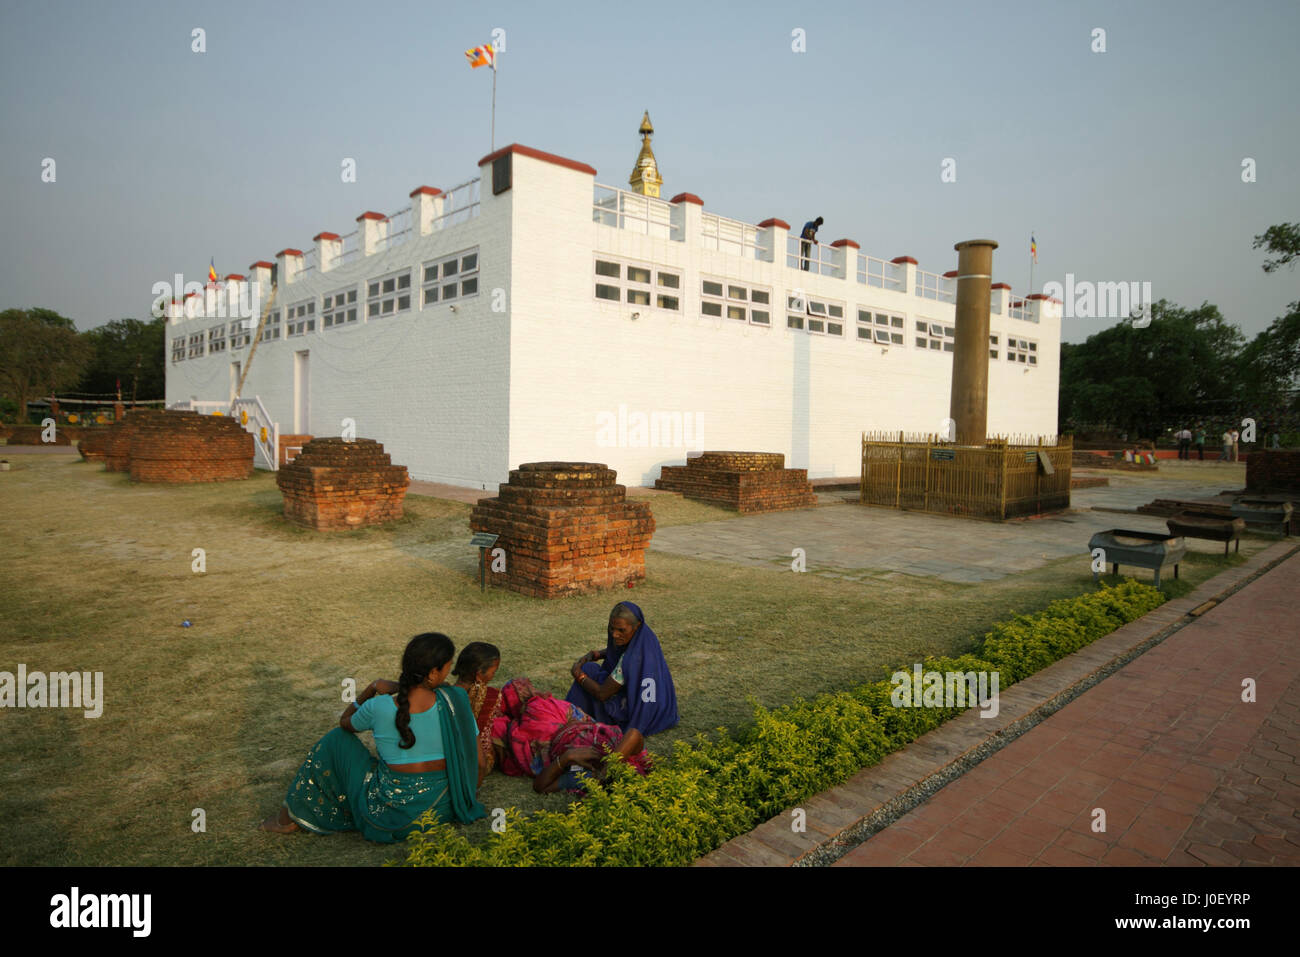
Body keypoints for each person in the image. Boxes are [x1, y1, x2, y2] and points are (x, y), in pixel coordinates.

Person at [260, 633, 485, 842]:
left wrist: (372, 688)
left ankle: (285, 820)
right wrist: (467, 797)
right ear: (434, 673)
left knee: (335, 739)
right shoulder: (455, 701)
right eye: (448, 666)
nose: (449, 672)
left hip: (389, 820)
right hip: (444, 810)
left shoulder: (378, 706)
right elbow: (480, 762)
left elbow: (345, 723)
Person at [490, 678, 650, 793]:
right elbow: (634, 735)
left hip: (555, 737)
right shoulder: (627, 754)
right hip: (582, 727)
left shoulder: (584, 777)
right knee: (530, 702)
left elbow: (540, 786)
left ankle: (513, 706)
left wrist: (567, 758)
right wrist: (607, 771)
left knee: (519, 714)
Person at [566, 601, 678, 736]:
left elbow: (602, 694)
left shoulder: (630, 660)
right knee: (591, 669)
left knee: (589, 670)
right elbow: (619, 652)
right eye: (612, 628)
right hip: (660, 710)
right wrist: (599, 653)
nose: (614, 634)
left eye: (621, 630)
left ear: (636, 626)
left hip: (632, 712)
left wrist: (578, 674)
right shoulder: (646, 638)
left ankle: (567, 717)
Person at [452, 641, 501, 781]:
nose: (493, 676)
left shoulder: (441, 693)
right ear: (479, 675)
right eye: (493, 672)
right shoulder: (492, 696)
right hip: (478, 762)